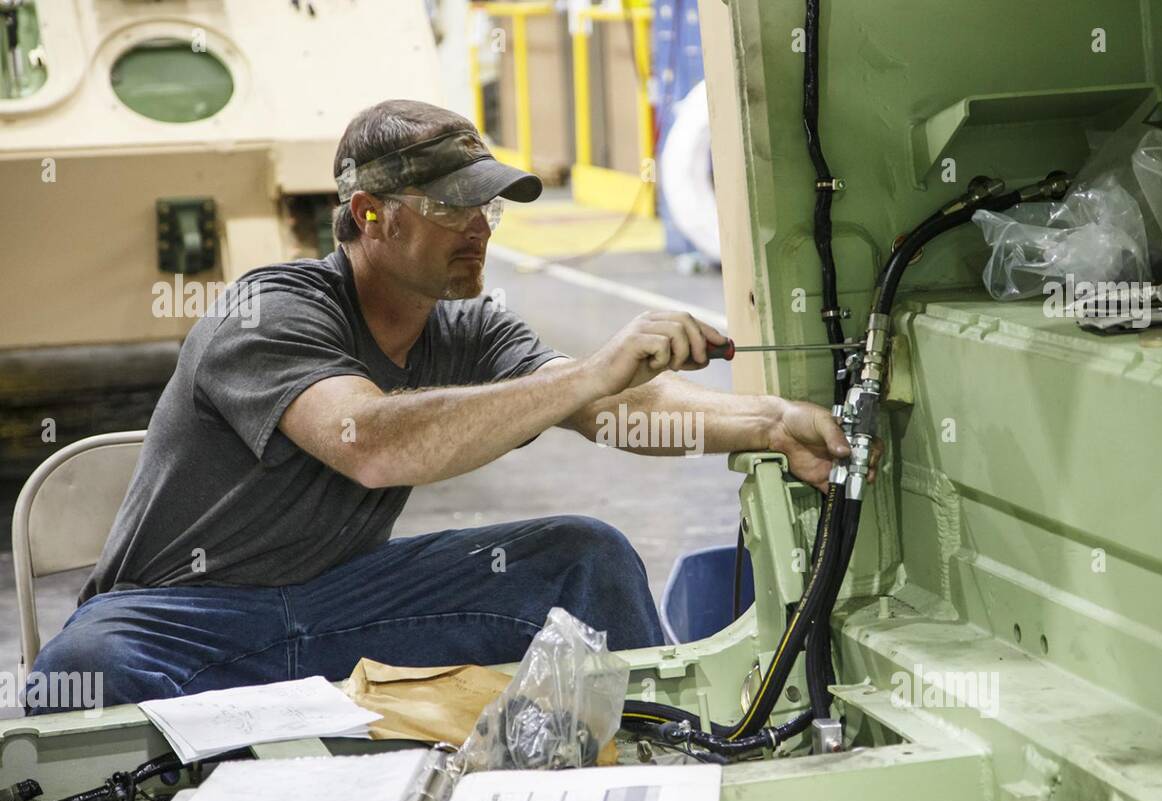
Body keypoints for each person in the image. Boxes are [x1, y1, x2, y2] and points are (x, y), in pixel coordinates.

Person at [25, 100, 873, 713]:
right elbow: (369, 441)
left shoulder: (464, 326)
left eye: (487, 204)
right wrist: (590, 374)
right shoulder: (270, 312)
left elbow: (610, 406)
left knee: (582, 557)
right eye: (450, 206)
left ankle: (657, 756)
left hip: (339, 601)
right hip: (183, 618)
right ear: (367, 214)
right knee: (87, 668)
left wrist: (766, 421)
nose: (481, 225)